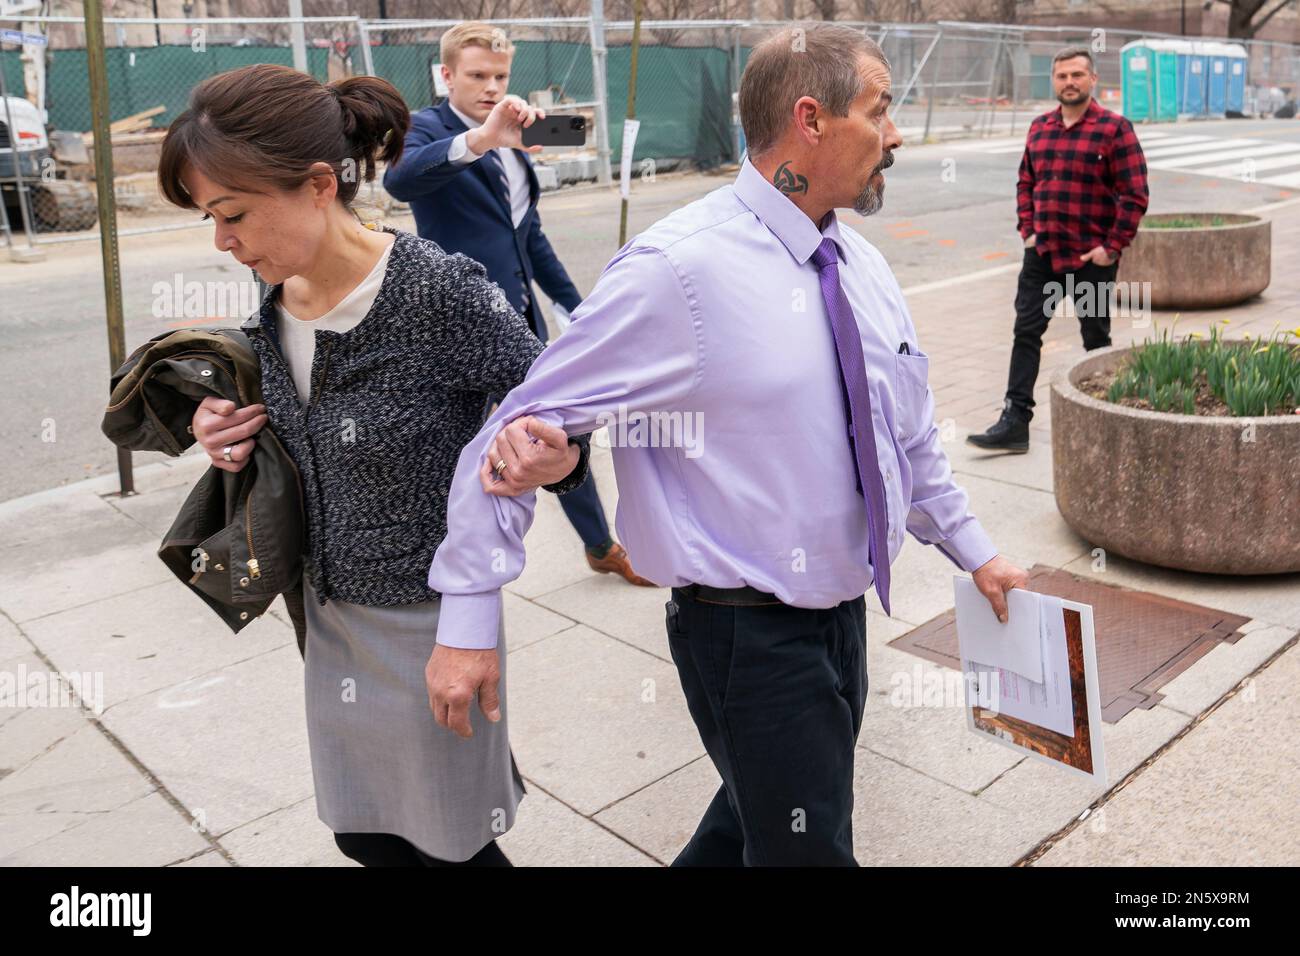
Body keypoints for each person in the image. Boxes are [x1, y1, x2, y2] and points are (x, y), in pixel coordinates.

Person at [423, 25, 1030, 866]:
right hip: (746, 637)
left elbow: (908, 434)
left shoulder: (858, 264)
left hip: (841, 618)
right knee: (806, 848)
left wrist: (977, 553)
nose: (894, 135)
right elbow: (516, 429)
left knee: (751, 824)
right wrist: (466, 620)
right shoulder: (678, 272)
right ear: (811, 120)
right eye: (881, 112)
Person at [157, 63, 590, 867]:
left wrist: (555, 460)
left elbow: (558, 422)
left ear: (319, 184)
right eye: (211, 220)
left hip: (429, 622)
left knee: (449, 846)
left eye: (233, 214)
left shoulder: (439, 292)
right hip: (326, 616)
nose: (221, 241)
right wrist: (223, 425)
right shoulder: (278, 300)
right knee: (363, 832)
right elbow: (293, 428)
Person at [382, 21, 652, 588]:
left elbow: (527, 238)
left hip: (515, 320)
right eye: (477, 75)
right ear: (447, 74)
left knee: (553, 429)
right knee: (447, 450)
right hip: (449, 325)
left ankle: (601, 544)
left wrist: (580, 311)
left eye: (500, 75)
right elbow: (402, 182)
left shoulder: (516, 140)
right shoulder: (430, 129)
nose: (490, 86)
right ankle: (434, 569)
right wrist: (480, 139)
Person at [967, 47, 1149, 453]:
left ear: (1092, 80)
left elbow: (1134, 195)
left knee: (1095, 338)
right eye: (1062, 76)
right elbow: (1026, 182)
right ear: (1054, 80)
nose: (1069, 82)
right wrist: (1028, 231)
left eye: (1077, 75)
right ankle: (1015, 421)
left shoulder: (1115, 129)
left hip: (1090, 260)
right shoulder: (1040, 127)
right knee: (1026, 334)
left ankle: (1105, 419)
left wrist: (1111, 248)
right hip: (1043, 255)